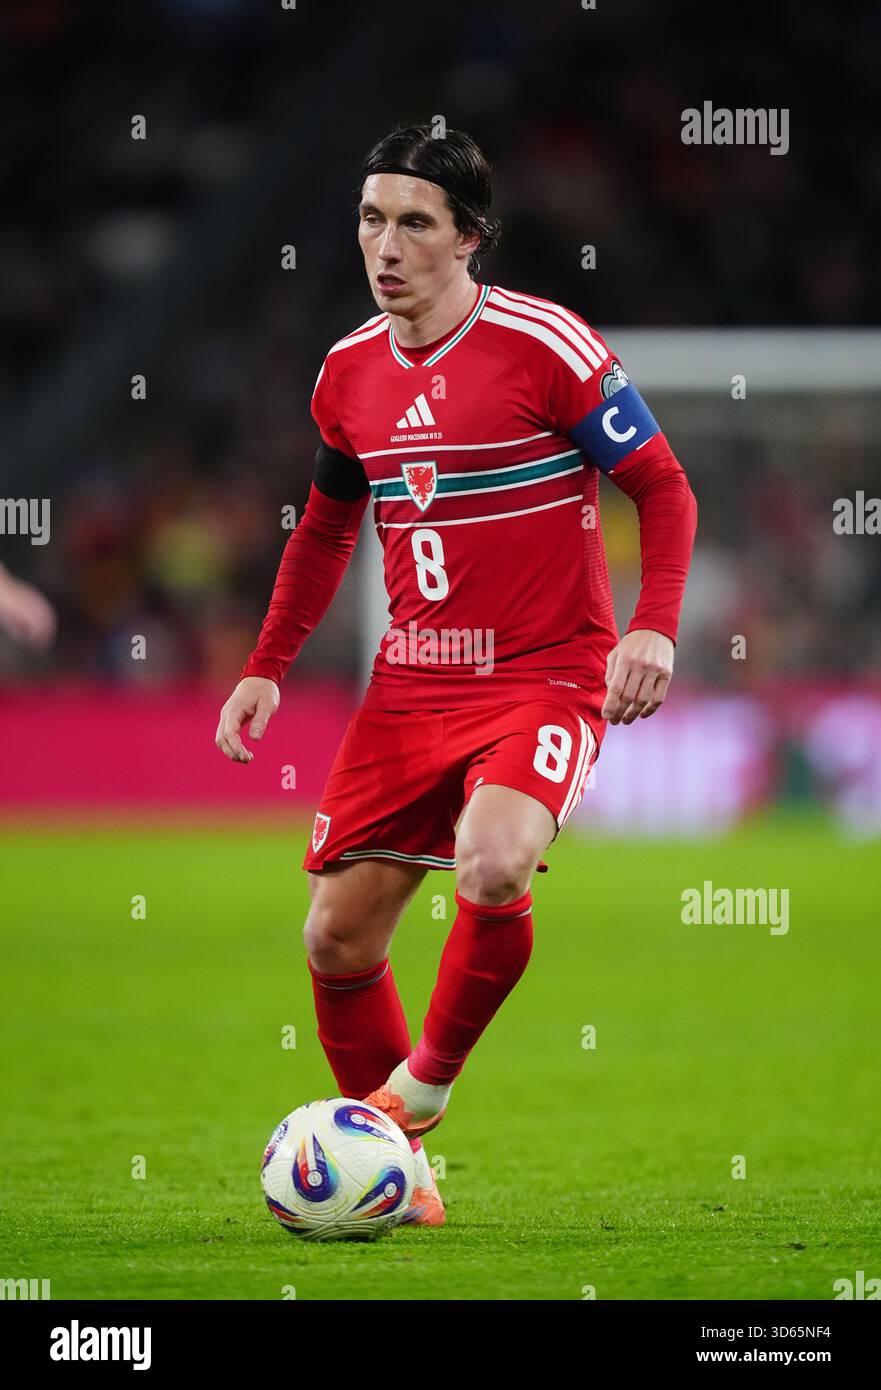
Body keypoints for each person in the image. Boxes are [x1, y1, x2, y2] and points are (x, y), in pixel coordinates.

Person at [216, 124, 697, 1226]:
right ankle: (400, 1183)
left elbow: (662, 490)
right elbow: (326, 529)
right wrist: (266, 666)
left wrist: (652, 627)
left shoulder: (548, 346)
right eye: (370, 219)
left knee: (491, 862)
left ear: (469, 238)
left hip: (542, 672)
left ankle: (415, 1096)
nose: (385, 246)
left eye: (414, 223)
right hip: (410, 683)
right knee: (335, 937)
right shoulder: (345, 372)